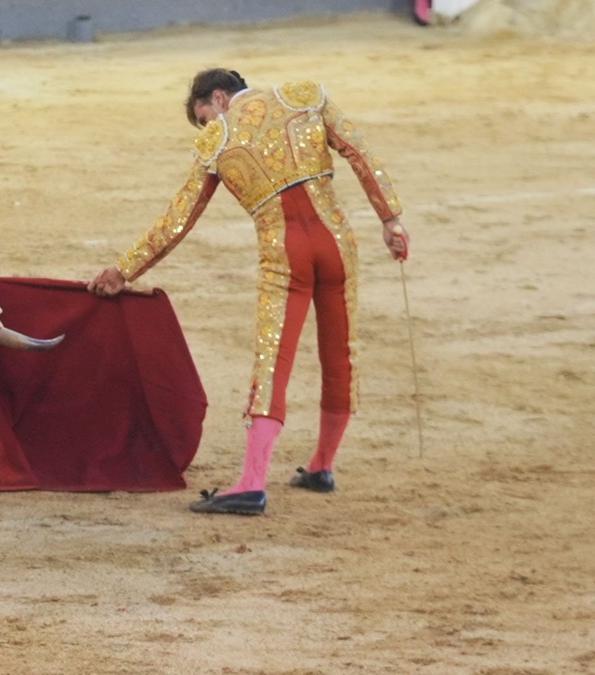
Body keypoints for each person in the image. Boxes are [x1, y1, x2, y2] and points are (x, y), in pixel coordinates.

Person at [88, 68, 409, 515]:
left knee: (272, 358)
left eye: (205, 117)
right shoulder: (304, 97)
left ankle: (252, 482)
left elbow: (177, 220)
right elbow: (360, 153)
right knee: (340, 354)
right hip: (338, 243)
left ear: (219, 98)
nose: (208, 128)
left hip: (285, 255)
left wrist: (125, 269)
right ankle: (321, 466)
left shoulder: (217, 141)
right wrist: (390, 218)